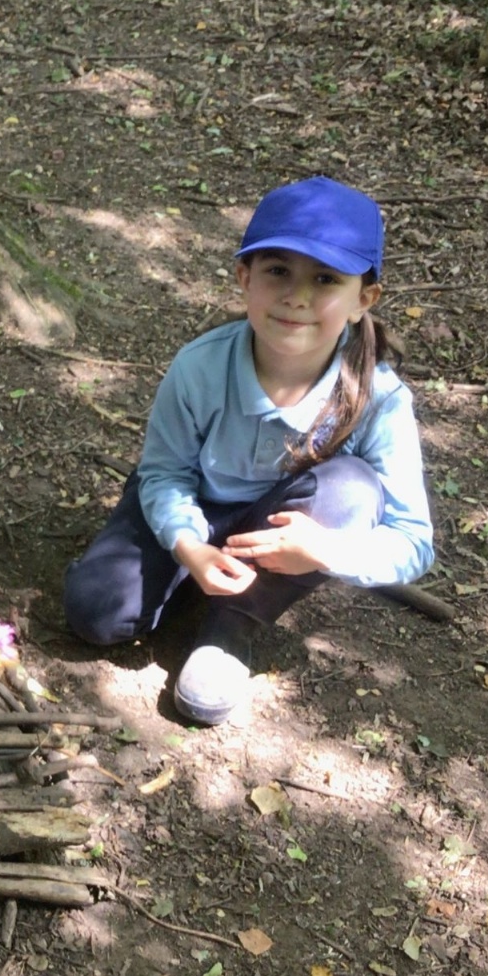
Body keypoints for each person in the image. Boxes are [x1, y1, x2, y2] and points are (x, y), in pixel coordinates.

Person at [63, 177, 434, 725]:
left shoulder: (381, 399)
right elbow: (163, 473)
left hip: (285, 535)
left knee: (354, 488)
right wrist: (189, 547)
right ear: (245, 277)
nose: (298, 296)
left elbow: (414, 543)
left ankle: (233, 623)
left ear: (364, 300)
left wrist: (326, 552)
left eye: (326, 279)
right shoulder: (199, 367)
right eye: (278, 270)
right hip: (194, 508)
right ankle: (188, 581)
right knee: (95, 613)